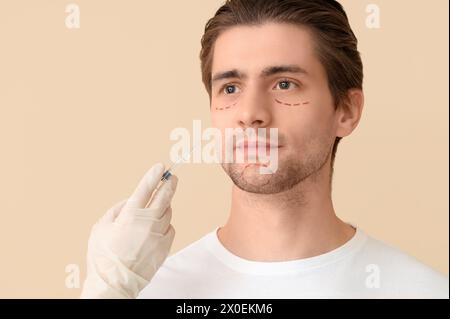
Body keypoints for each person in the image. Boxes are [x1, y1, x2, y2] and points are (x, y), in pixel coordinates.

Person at [80, 0, 449, 299]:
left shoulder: (424, 292)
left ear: (346, 111)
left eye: (285, 84)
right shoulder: (142, 289)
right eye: (230, 88)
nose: (250, 114)